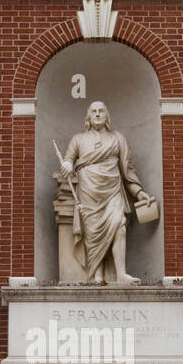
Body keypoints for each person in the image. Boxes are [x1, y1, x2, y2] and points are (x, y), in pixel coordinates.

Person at [59, 101, 154, 285]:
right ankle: (96, 276)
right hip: (88, 190)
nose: (97, 114)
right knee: (92, 232)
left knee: (119, 224)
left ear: (107, 115)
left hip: (112, 189)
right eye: (93, 111)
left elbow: (127, 170)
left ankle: (121, 275)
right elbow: (69, 160)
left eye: (101, 111)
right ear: (88, 117)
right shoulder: (78, 139)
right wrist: (67, 165)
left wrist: (139, 192)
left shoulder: (118, 138)